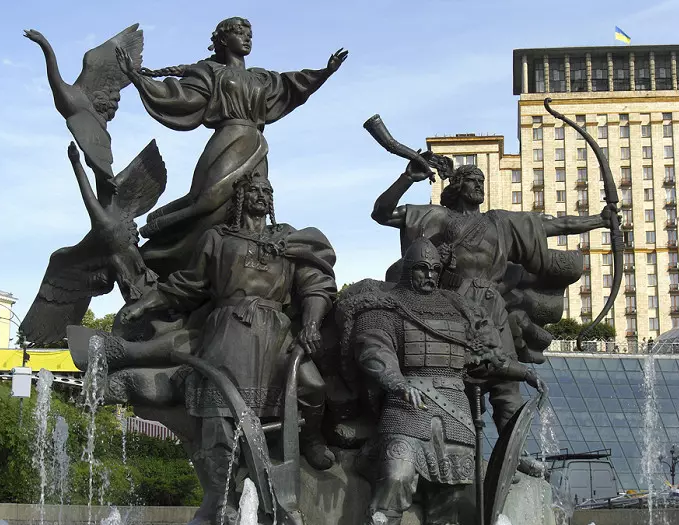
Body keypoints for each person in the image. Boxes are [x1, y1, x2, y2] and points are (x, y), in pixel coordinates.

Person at [115, 170, 337, 522]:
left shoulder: (289, 239)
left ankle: (308, 439)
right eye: (255, 191)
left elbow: (316, 286)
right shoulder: (217, 238)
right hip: (228, 330)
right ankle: (221, 500)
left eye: (268, 190)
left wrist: (310, 324)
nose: (262, 195)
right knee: (218, 412)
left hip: (275, 332)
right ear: (241, 198)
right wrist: (144, 304)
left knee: (313, 386)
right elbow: (189, 286)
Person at [371, 160, 617, 435]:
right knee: (453, 379)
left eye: (481, 181)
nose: (479, 185)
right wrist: (407, 178)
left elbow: (552, 224)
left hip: (492, 309)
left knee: (506, 384)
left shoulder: (500, 222)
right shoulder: (437, 217)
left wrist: (599, 220)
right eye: (472, 179)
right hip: (451, 307)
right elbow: (382, 213)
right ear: (457, 185)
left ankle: (513, 454)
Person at [116, 17, 347, 276]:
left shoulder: (261, 77)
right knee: (209, 205)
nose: (247, 37)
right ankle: (159, 240)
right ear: (223, 40)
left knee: (250, 206)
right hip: (228, 139)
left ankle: (244, 269)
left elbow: (293, 85)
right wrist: (137, 78)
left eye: (249, 33)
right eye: (240, 32)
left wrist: (325, 72)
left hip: (257, 145)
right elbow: (182, 98)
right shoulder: (210, 72)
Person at [341, 238, 544, 525]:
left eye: (435, 269)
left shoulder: (457, 310)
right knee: (396, 476)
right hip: (407, 409)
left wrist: (523, 372)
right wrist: (397, 382)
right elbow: (374, 350)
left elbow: (485, 358)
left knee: (452, 502)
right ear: (408, 269)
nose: (430, 275)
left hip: (455, 414)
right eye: (422, 269)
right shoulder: (385, 307)